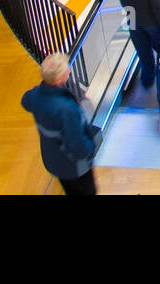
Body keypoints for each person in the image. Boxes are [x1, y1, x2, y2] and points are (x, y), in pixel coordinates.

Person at [21, 52, 103, 196]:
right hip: (73, 166)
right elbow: (76, 145)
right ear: (59, 80)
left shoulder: (36, 95)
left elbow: (25, 101)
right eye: (67, 70)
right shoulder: (66, 109)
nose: (70, 71)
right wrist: (91, 149)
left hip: (52, 159)